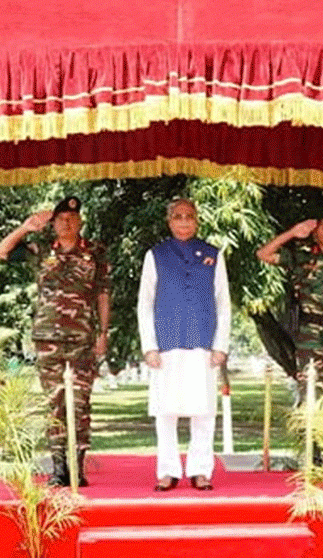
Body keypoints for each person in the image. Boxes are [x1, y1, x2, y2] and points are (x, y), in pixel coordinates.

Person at [0, 195, 111, 487]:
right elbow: (0, 252)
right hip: (47, 338)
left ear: (80, 222)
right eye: (60, 219)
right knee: (54, 403)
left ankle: (78, 466)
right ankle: (59, 467)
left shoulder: (95, 251)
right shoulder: (40, 249)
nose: (66, 223)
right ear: (53, 223)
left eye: (72, 219)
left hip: (83, 338)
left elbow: (103, 294)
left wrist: (104, 333)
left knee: (80, 403)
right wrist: (26, 227)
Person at [137, 198, 230, 491]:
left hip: (203, 342)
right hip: (166, 343)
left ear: (197, 220)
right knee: (166, 410)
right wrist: (149, 345)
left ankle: (201, 470)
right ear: (169, 221)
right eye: (178, 216)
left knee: (203, 410)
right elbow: (145, 303)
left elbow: (223, 303)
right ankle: (167, 471)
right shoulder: (156, 255)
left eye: (189, 216)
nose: (184, 222)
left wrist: (221, 345)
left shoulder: (213, 255)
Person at [255, 197, 323, 399]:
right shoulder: (301, 257)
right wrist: (292, 232)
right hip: (310, 336)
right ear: (314, 229)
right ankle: (309, 432)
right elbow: (263, 254)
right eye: (322, 225)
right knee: (309, 394)